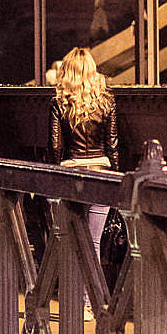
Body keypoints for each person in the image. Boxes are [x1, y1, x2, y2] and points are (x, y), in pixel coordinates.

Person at [50, 47, 119, 256]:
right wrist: (116, 175)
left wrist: (52, 175)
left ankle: (75, 289)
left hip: (72, 174)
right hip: (101, 173)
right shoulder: (106, 102)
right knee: (94, 243)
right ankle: (92, 290)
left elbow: (55, 145)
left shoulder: (59, 102)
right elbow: (113, 144)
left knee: (72, 243)